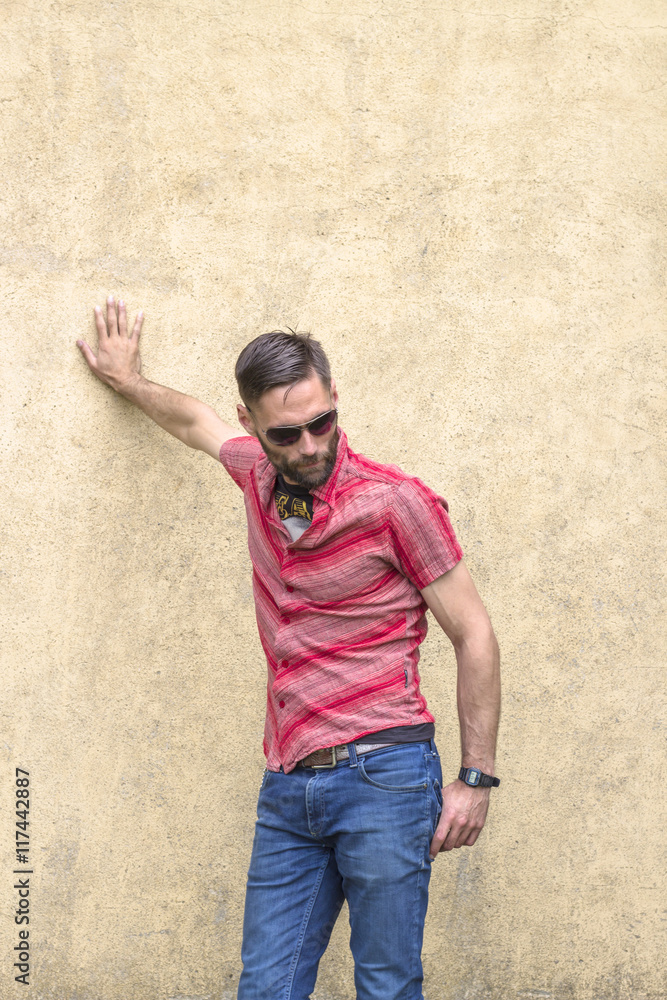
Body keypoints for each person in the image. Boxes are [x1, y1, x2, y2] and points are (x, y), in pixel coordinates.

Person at [77, 296, 501, 1000]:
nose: (308, 446)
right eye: (285, 434)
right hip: (288, 784)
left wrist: (475, 778)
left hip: (385, 775)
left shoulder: (397, 504)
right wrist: (130, 382)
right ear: (253, 424)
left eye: (320, 423)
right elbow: (195, 422)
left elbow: (474, 633)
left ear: (334, 398)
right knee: (265, 989)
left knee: (387, 987)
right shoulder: (256, 473)